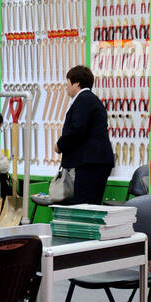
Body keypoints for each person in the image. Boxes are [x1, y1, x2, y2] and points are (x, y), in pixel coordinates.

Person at [55, 65, 114, 205]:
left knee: (84, 207)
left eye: (67, 82)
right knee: (89, 205)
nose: (66, 86)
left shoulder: (84, 100)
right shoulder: (90, 100)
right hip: (94, 161)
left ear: (77, 83)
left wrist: (59, 145)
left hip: (91, 163)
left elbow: (77, 129)